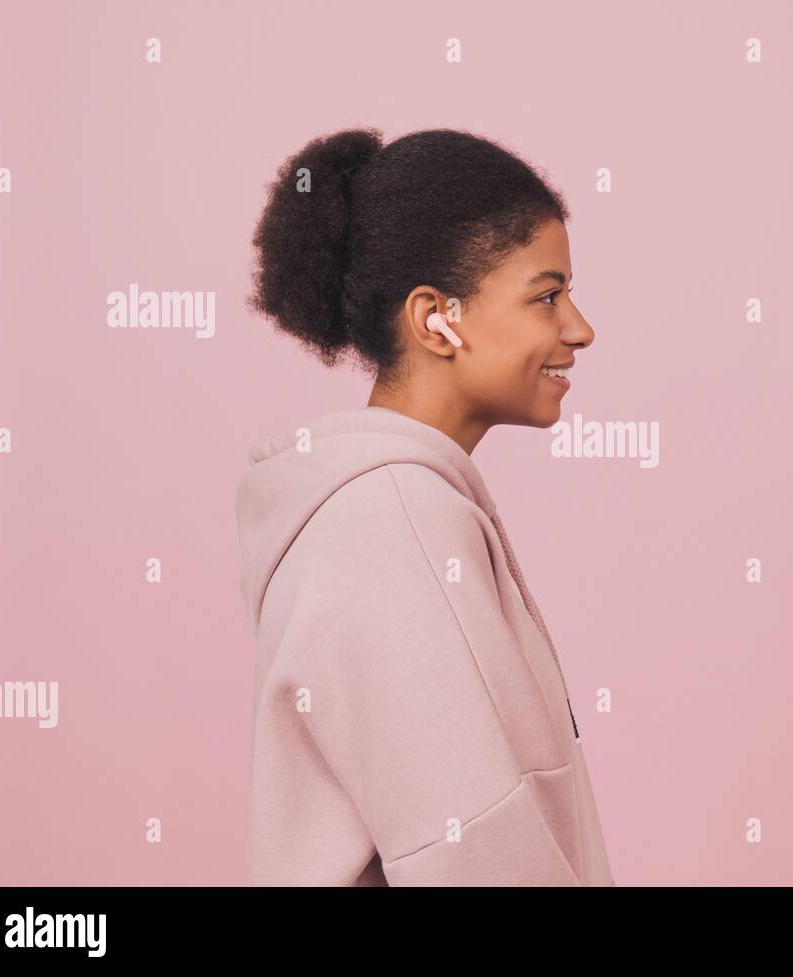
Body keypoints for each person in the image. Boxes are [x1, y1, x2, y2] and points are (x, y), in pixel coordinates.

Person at [236, 127, 614, 886]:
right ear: (435, 318)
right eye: (547, 295)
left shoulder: (393, 506)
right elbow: (472, 853)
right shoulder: (393, 522)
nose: (579, 328)